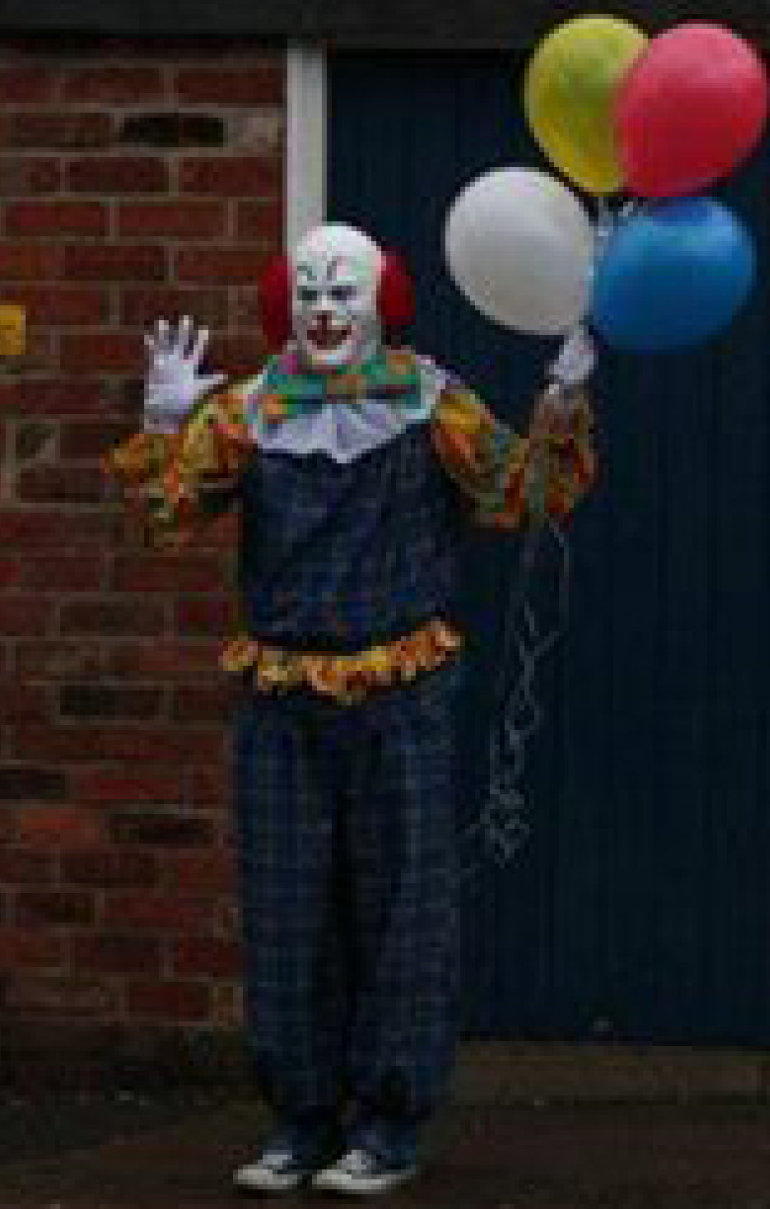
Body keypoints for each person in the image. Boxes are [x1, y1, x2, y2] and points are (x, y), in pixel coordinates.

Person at [106, 222, 597, 1197]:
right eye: (312, 294)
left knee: (402, 909)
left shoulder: (430, 400)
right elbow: (164, 522)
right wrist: (165, 423)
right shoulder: (250, 409)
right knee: (288, 910)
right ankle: (298, 1118)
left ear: (385, 302)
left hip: (402, 696)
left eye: (345, 293)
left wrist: (564, 399)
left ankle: (386, 1124)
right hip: (281, 697)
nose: (326, 312)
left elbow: (525, 493)